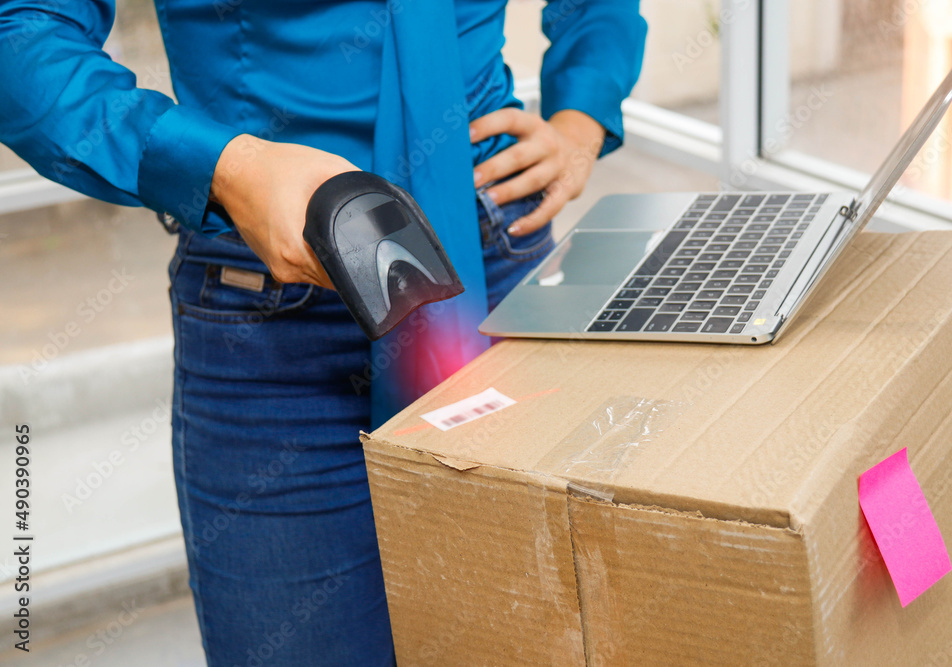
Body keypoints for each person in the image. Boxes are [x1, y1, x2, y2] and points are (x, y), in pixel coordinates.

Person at [0, 0, 646, 664]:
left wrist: (582, 116)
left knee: (535, 639)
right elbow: (20, 35)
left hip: (498, 271)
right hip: (274, 329)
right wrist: (223, 165)